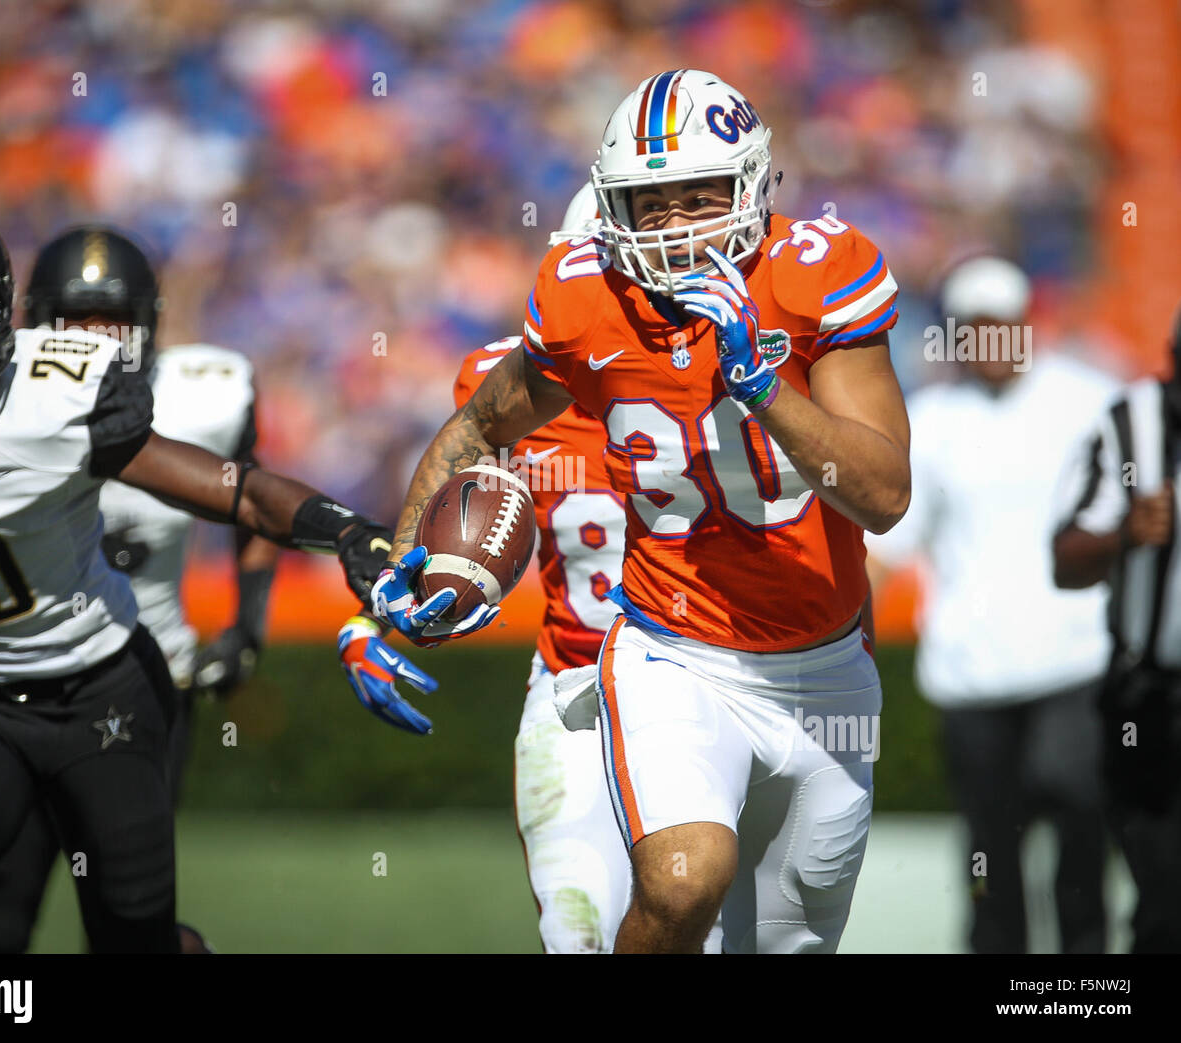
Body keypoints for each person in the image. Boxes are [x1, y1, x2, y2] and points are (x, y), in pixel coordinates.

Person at [371, 70, 910, 953]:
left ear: (752, 188)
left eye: (698, 197)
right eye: (649, 201)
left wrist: (762, 384)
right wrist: (404, 554)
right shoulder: (586, 295)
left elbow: (884, 495)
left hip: (822, 670)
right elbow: (479, 423)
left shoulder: (819, 272)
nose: (673, 223)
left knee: (787, 939)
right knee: (685, 873)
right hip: (673, 647)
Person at [0, 198, 391, 954]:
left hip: (102, 687)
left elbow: (235, 488)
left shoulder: (54, 395)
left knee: (132, 939)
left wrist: (344, 530)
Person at [0, 225, 281, 954]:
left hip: (143, 685)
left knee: (125, 925)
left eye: (112, 326)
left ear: (149, 326)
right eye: (75, 326)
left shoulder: (207, 397)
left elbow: (255, 502)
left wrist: (248, 625)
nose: (95, 347)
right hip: (16, 684)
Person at [866, 256, 1116, 953]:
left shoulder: (1088, 400)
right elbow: (887, 544)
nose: (990, 342)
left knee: (1078, 818)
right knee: (988, 850)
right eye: (974, 329)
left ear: (1025, 325)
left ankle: (1085, 978)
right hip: (973, 672)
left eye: (1001, 326)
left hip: (1074, 659)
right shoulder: (932, 421)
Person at [1052, 305, 1181, 953]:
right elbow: (1065, 559)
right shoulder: (1131, 422)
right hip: (1150, 697)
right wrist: (1127, 533)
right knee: (1162, 909)